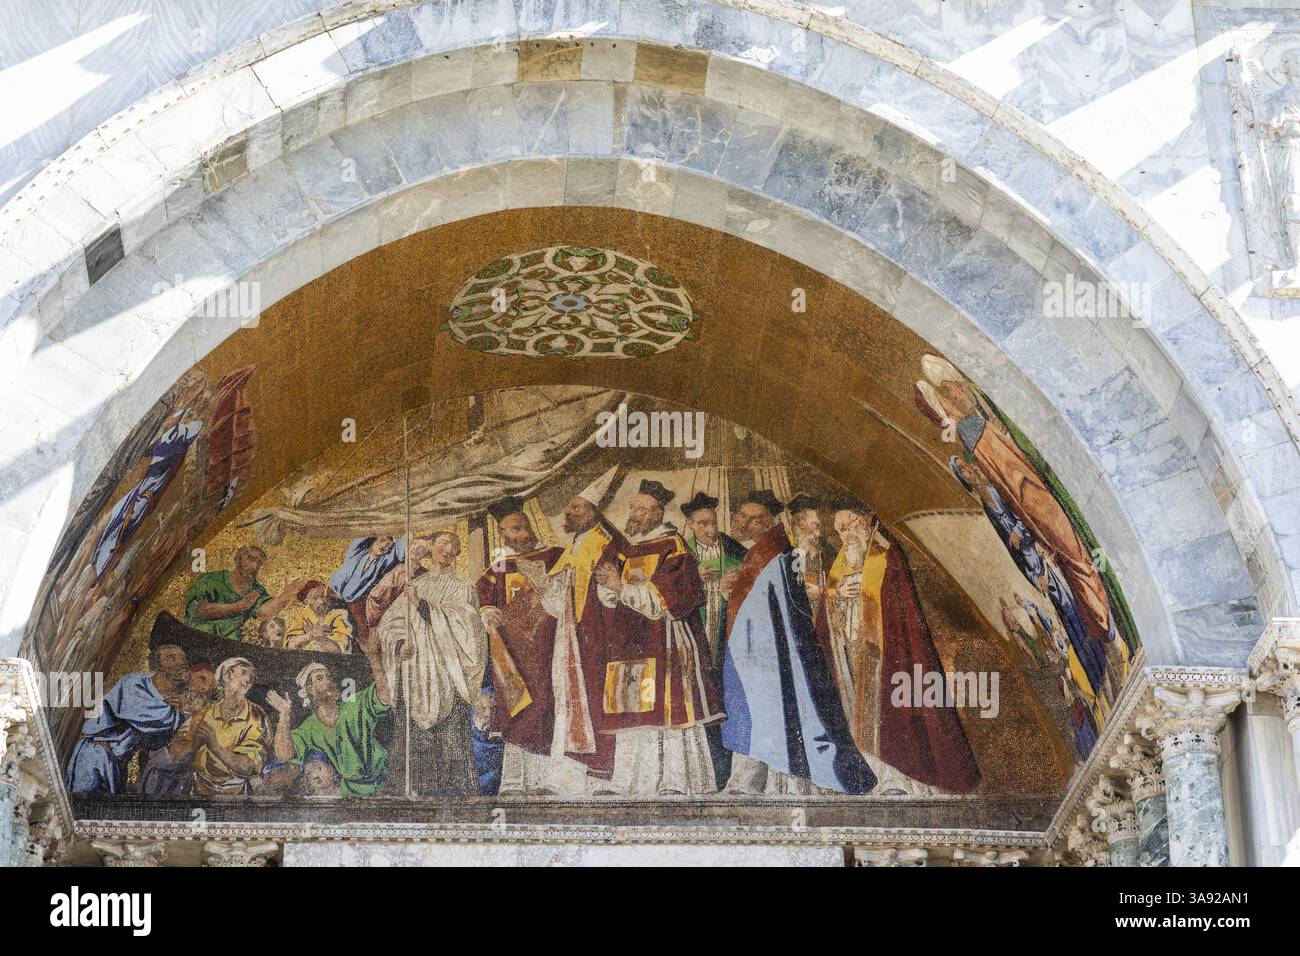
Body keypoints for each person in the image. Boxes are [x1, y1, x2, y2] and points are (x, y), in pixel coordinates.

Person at [720, 491, 875, 796]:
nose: (818, 533)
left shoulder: (794, 550)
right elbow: (776, 597)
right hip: (768, 653)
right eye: (814, 526)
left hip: (798, 646)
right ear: (798, 524)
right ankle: (787, 780)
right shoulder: (774, 549)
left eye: (819, 527)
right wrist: (827, 593)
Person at [824, 496, 980, 794]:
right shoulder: (839, 564)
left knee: (891, 715)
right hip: (850, 654)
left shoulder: (886, 557)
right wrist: (836, 595)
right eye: (839, 531)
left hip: (887, 653)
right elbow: (829, 607)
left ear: (866, 521)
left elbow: (900, 610)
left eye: (848, 527)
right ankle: (866, 777)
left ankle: (895, 779)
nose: (845, 536)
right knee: (856, 712)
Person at [597, 480, 724, 795]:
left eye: (643, 509)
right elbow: (609, 595)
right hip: (629, 641)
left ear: (658, 512)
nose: (636, 515)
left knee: (667, 710)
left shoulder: (674, 546)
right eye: (634, 508)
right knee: (631, 707)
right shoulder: (626, 549)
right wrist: (608, 585)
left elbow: (664, 600)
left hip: (664, 637)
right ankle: (627, 781)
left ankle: (674, 781)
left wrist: (619, 587)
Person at [377, 531, 487, 795]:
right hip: (415, 670)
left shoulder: (461, 584)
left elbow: (468, 624)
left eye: (454, 545)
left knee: (449, 737)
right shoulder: (416, 584)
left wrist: (424, 607)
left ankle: (454, 793)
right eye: (443, 543)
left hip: (446, 671)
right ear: (432, 547)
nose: (447, 549)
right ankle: (410, 789)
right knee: (411, 736)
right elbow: (389, 623)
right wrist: (400, 642)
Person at [474, 497, 572, 794]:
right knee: (517, 710)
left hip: (549, 647)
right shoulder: (500, 567)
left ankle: (549, 780)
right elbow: (480, 598)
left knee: (548, 706)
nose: (511, 537)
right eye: (505, 533)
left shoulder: (557, 556)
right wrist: (486, 611)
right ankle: (517, 781)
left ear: (528, 525)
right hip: (513, 654)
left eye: (515, 529)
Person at [268, 622, 397, 797]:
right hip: (350, 793)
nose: (328, 681)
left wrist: (373, 656)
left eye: (329, 677)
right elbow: (284, 755)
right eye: (320, 678)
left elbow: (386, 696)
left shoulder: (354, 704)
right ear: (309, 690)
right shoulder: (310, 727)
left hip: (386, 783)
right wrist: (284, 715)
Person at [680, 490, 745, 787]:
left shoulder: (734, 550)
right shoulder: (682, 554)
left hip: (728, 645)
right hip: (696, 648)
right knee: (701, 710)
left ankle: (728, 777)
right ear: (691, 525)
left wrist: (732, 586)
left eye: (713, 522)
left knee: (729, 708)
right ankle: (704, 777)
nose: (710, 529)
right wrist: (695, 582)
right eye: (702, 524)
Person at [64, 644, 188, 794]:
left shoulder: (172, 701)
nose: (179, 663)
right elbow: (148, 717)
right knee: (82, 804)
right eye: (171, 658)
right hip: (95, 755)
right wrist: (176, 711)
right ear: (157, 664)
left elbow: (159, 739)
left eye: (182, 659)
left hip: (119, 762)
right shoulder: (134, 682)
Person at [187, 657, 271, 796]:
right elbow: (181, 751)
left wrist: (215, 746)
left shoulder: (256, 715)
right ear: (226, 675)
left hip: (235, 793)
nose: (248, 679)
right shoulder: (205, 712)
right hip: (199, 788)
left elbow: (249, 767)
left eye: (252, 676)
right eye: (243, 672)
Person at [184, 545, 301, 640]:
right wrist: (237, 607)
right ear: (238, 558)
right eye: (250, 559)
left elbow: (262, 612)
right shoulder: (209, 580)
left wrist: (283, 597)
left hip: (230, 642)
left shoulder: (256, 589)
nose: (254, 566)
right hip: (198, 636)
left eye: (259, 563)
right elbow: (199, 611)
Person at [284, 580, 353, 653]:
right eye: (315, 598)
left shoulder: (338, 615)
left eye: (323, 596)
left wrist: (318, 638)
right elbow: (290, 646)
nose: (322, 601)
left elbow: (338, 650)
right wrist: (311, 635)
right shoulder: (302, 617)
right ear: (306, 601)